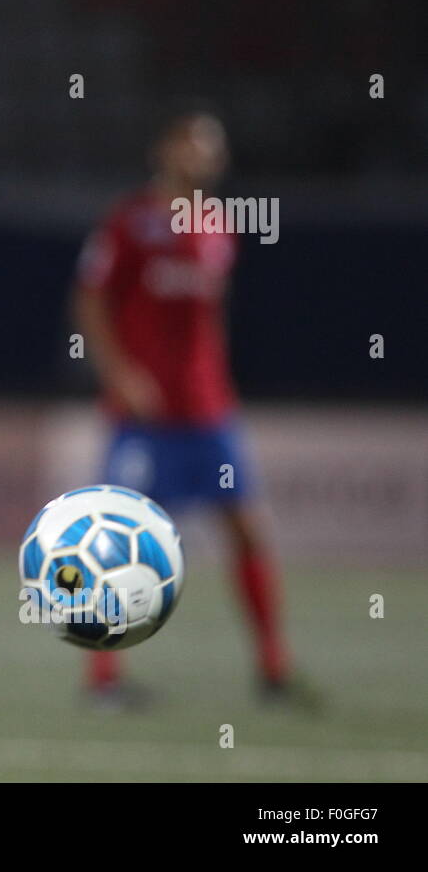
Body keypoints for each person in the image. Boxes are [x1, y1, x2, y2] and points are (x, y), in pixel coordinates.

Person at [74, 107, 316, 710]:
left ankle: (273, 669)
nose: (205, 156)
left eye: (214, 147)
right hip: (144, 420)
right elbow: (89, 302)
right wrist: (121, 374)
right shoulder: (131, 223)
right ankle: (104, 680)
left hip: (209, 413)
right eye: (195, 144)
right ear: (167, 149)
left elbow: (207, 322)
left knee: (248, 531)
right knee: (120, 542)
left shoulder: (219, 227)